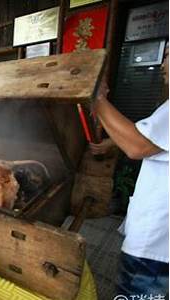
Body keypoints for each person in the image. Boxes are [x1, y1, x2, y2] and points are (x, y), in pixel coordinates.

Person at [91, 44, 169, 297]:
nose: (162, 64)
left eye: (168, 56)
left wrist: (96, 96)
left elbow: (138, 145)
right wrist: (113, 141)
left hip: (157, 246)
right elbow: (153, 136)